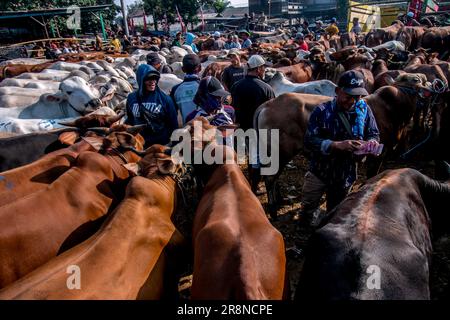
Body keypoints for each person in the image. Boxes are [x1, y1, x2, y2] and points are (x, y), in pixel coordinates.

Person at [301, 70, 381, 227]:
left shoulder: (364, 110)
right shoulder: (322, 111)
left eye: (358, 96)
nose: (352, 101)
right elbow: (310, 141)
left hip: (345, 174)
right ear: (338, 91)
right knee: (308, 209)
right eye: (349, 96)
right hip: (320, 171)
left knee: (335, 213)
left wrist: (372, 143)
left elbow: (373, 133)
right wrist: (334, 145)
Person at [125, 64, 178, 147]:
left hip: (160, 145)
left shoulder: (165, 99)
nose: (152, 82)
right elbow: (130, 120)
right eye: (149, 79)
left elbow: (173, 124)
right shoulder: (132, 98)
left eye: (154, 79)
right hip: (139, 144)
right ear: (141, 80)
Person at [186, 76, 236, 147]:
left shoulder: (229, 111)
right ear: (204, 96)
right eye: (216, 97)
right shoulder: (192, 117)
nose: (219, 100)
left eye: (220, 96)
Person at [170, 54, 202, 124]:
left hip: (187, 131)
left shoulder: (175, 89)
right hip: (204, 130)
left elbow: (172, 114)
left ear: (183, 69)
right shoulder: (204, 86)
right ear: (200, 68)